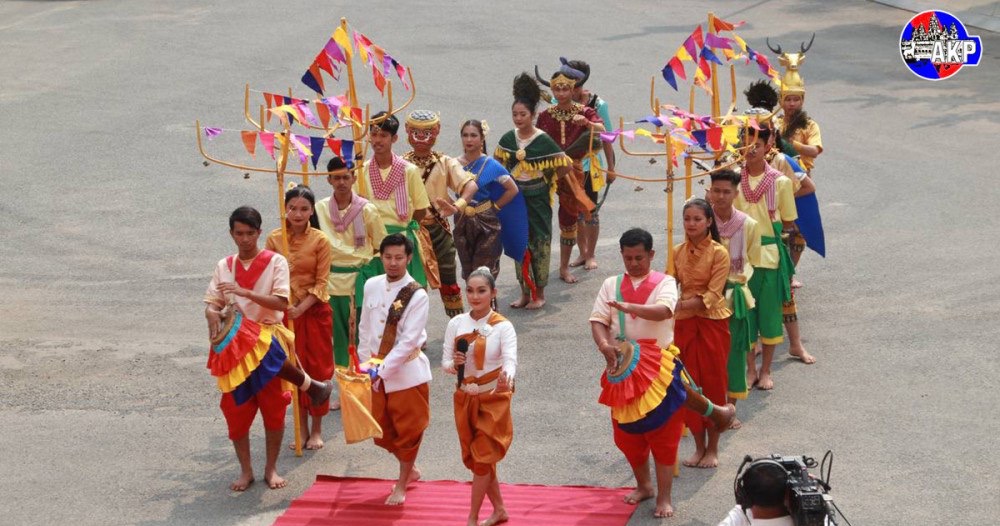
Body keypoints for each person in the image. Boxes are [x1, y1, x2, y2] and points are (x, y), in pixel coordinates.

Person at [590, 228, 735, 518]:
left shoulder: (665, 282)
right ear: (621, 255)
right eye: (628, 258)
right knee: (626, 436)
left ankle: (665, 497)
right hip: (622, 369)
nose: (633, 263)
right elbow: (598, 320)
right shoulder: (610, 284)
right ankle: (645, 486)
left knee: (664, 435)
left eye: (639, 258)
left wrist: (630, 306)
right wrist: (605, 345)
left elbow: (665, 311)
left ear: (651, 255)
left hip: (660, 366)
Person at [204, 206, 333, 491]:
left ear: (259, 233)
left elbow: (281, 303)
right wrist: (211, 314)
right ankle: (246, 470)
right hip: (236, 351)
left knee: (273, 410)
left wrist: (245, 293)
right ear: (231, 234)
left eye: (250, 233)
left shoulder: (276, 262)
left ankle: (270, 468)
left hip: (266, 335)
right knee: (235, 413)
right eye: (239, 233)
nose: (245, 239)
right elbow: (212, 303)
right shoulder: (224, 265)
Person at [357, 233, 433, 505]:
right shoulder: (372, 285)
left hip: (406, 374)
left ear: (409, 258)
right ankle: (410, 469)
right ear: (381, 257)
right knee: (382, 431)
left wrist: (381, 371)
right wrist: (364, 365)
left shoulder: (417, 294)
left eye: (399, 257)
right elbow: (365, 327)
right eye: (388, 257)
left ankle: (402, 483)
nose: (393, 263)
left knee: (408, 433)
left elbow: (408, 341)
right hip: (375, 372)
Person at [442, 266, 517, 526]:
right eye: (471, 291)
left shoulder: (503, 327)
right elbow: (445, 364)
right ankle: (499, 510)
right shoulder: (456, 324)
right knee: (478, 459)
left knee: (483, 457)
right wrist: (454, 363)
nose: (475, 297)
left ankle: (472, 518)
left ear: (493, 293)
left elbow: (510, 360)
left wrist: (507, 376)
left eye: (481, 291)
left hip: (493, 400)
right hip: (464, 398)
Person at [735, 128, 808, 391]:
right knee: (744, 317)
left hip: (769, 258)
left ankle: (765, 370)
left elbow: (788, 221)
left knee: (769, 315)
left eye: (756, 144)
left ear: (768, 146)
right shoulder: (733, 179)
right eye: (745, 143)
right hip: (740, 258)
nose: (750, 149)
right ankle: (750, 369)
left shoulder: (781, 182)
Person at [264, 185, 335, 450]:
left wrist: (301, 307)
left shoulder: (320, 240)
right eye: (292, 208)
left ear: (311, 211)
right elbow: (268, 277)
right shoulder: (274, 239)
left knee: (316, 368)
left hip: (314, 312)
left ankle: (316, 429)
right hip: (285, 313)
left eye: (304, 209)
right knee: (292, 368)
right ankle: (300, 427)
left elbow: (322, 282)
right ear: (285, 208)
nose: (297, 213)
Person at [494, 73, 572, 309]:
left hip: (538, 198)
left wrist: (549, 180)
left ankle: (540, 293)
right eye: (515, 114)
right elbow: (497, 165)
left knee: (539, 242)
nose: (518, 118)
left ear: (533, 115)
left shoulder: (543, 140)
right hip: (515, 198)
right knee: (519, 242)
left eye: (523, 114)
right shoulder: (508, 138)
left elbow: (565, 165)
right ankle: (524, 293)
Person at [669, 199, 732, 469]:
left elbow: (713, 295)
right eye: (687, 219)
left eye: (697, 219)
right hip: (684, 324)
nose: (691, 224)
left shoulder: (719, 253)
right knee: (688, 383)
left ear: (708, 222)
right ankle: (698, 446)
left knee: (714, 382)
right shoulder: (677, 251)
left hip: (711, 323)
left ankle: (713, 448)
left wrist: (678, 306)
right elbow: (669, 284)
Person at [403, 110, 479, 317]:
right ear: (407, 131)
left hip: (438, 229)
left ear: (436, 132)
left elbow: (470, 185)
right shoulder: (400, 164)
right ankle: (414, 327)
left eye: (427, 133)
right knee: (412, 282)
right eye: (416, 133)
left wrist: (458, 206)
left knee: (448, 277)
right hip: (411, 231)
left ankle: (457, 324)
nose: (421, 138)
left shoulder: (445, 162)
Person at [534, 58, 604, 284]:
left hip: (574, 173)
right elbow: (536, 140)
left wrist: (587, 123)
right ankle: (537, 266)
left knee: (568, 218)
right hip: (548, 171)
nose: (561, 93)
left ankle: (564, 267)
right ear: (553, 91)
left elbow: (602, 129)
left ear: (573, 89)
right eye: (557, 89)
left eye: (565, 89)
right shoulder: (545, 115)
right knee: (539, 216)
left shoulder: (585, 111)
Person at [315, 156, 387, 373]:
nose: (341, 183)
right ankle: (343, 379)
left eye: (346, 177)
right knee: (337, 336)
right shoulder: (319, 209)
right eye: (336, 178)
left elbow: (382, 246)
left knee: (362, 334)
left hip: (359, 282)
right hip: (331, 283)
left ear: (354, 178)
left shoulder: (367, 210)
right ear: (328, 180)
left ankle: (364, 377)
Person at [709, 169, 762, 429]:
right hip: (707, 299)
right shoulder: (702, 220)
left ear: (735, 194)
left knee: (735, 355)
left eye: (726, 192)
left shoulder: (748, 225)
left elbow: (753, 261)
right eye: (716, 191)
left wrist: (734, 285)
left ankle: (730, 410)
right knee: (708, 356)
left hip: (735, 297)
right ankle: (709, 409)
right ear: (709, 192)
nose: (720, 196)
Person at [354, 111, 432, 287]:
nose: (377, 140)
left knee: (405, 292)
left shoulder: (409, 170)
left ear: (394, 138)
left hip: (401, 238)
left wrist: (408, 227)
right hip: (373, 242)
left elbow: (421, 208)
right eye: (374, 135)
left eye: (383, 135)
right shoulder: (361, 170)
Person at [446, 119, 519, 283]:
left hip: (487, 222)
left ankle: (488, 299)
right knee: (468, 271)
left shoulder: (490, 165)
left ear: (482, 138)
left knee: (484, 271)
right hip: (462, 220)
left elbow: (512, 189)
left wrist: (495, 207)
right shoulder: (453, 164)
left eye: (473, 135)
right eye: (465, 135)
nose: (469, 139)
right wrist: (452, 204)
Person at [563, 58, 616, 271]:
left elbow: (607, 137)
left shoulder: (598, 105)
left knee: (590, 212)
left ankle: (591, 254)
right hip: (568, 165)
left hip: (589, 166)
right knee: (574, 212)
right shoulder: (560, 103)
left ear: (578, 84)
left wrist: (611, 168)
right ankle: (582, 252)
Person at [719, 459, 796, 526]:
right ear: (788, 493)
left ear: (744, 496)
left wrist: (740, 512)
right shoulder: (801, 520)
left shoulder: (738, 517)